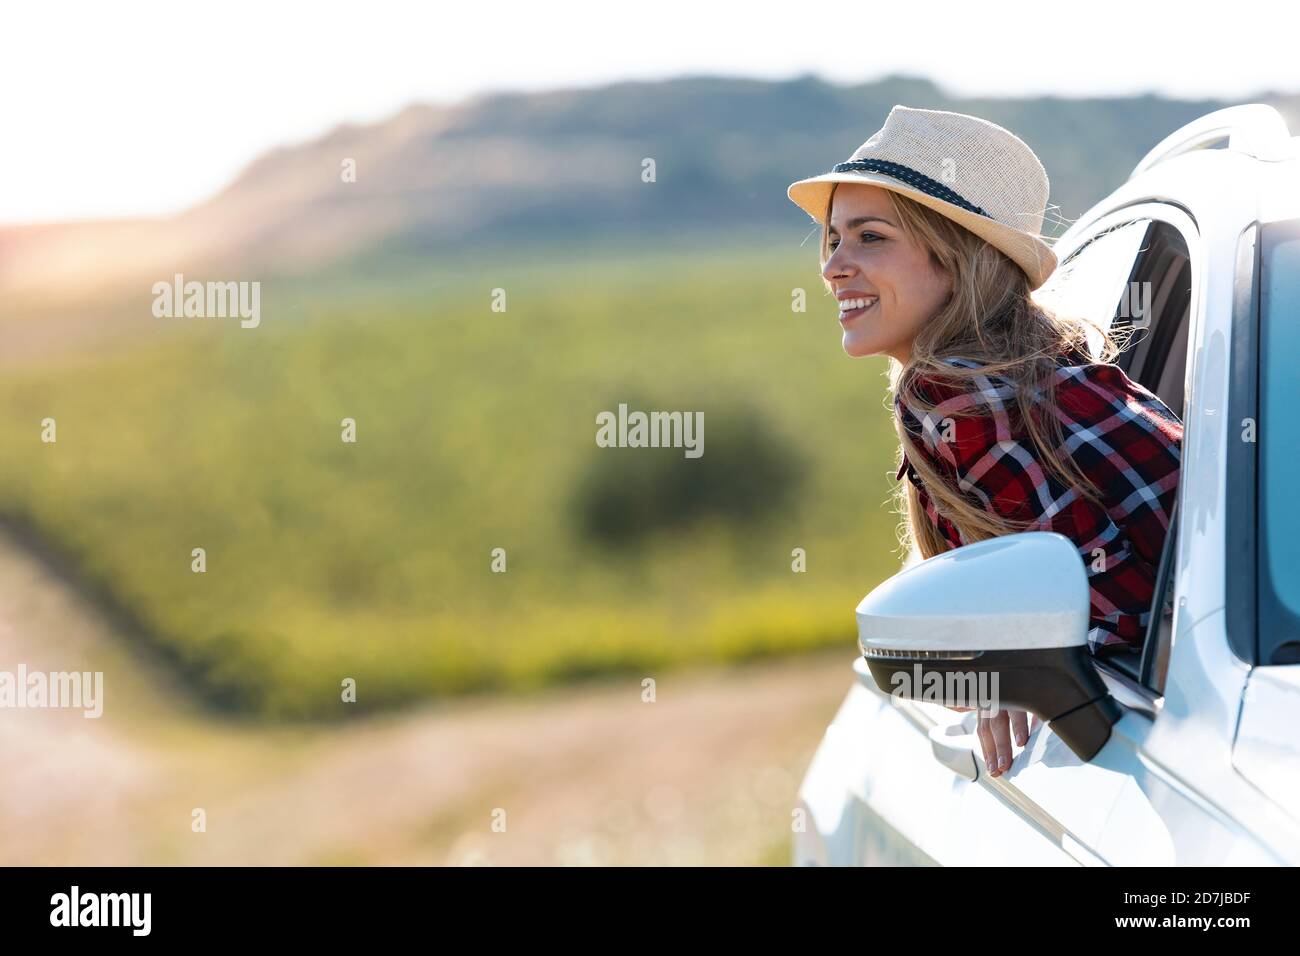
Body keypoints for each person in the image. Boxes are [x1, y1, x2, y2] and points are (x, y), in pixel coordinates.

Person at [786, 106, 1183, 777]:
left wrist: (1013, 661)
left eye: (870, 237)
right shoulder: (1032, 374)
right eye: (832, 241)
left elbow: (1122, 613)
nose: (834, 267)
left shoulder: (960, 399)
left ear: (958, 257)